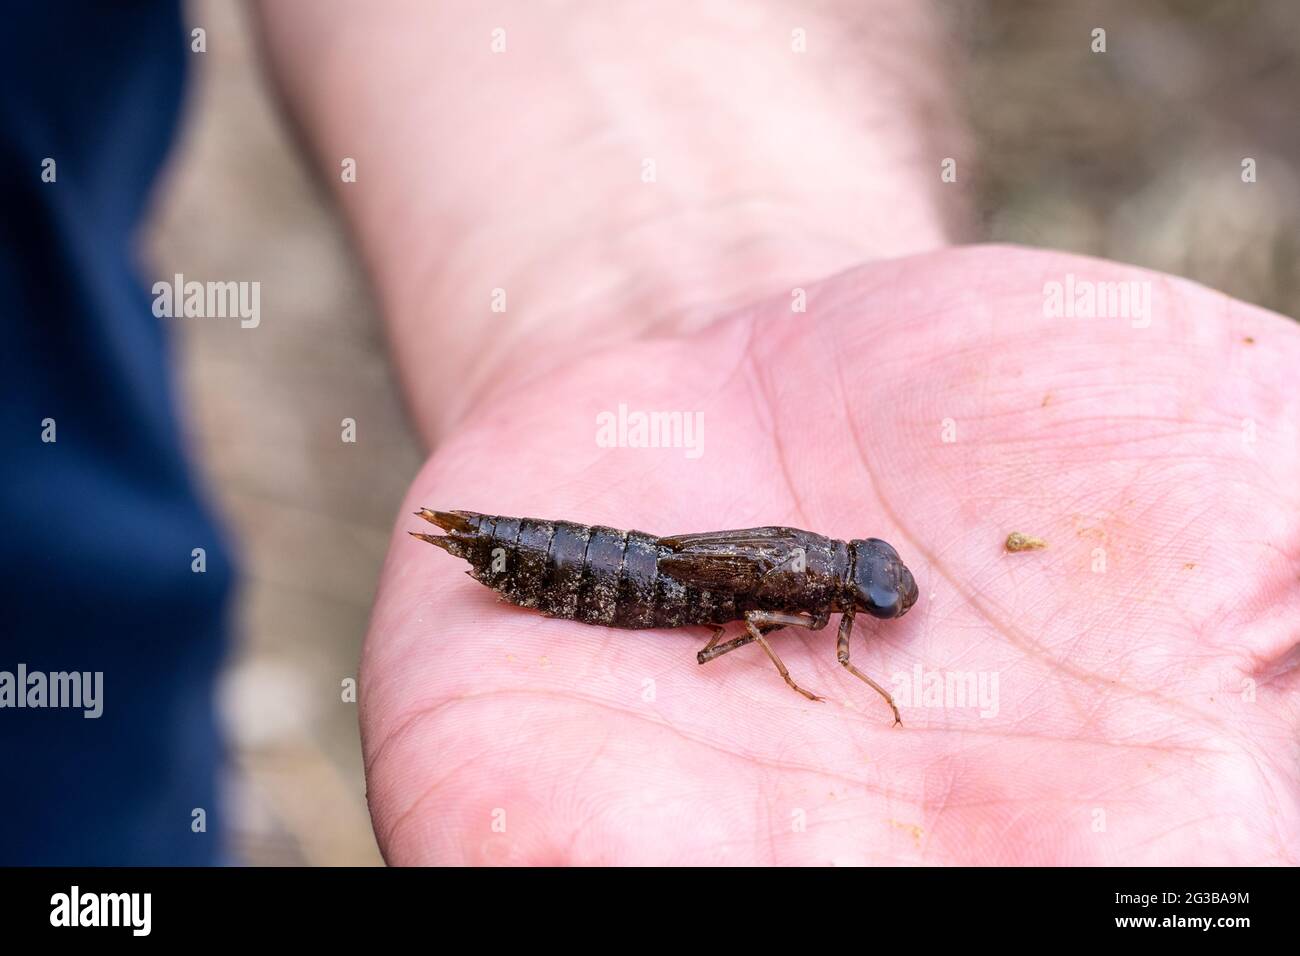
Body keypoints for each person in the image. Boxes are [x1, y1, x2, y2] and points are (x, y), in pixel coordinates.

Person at [5, 0, 1298, 865]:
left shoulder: (809, 574)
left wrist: (710, 280)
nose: (873, 601)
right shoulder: (806, 596)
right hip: (595, 572)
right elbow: (761, 640)